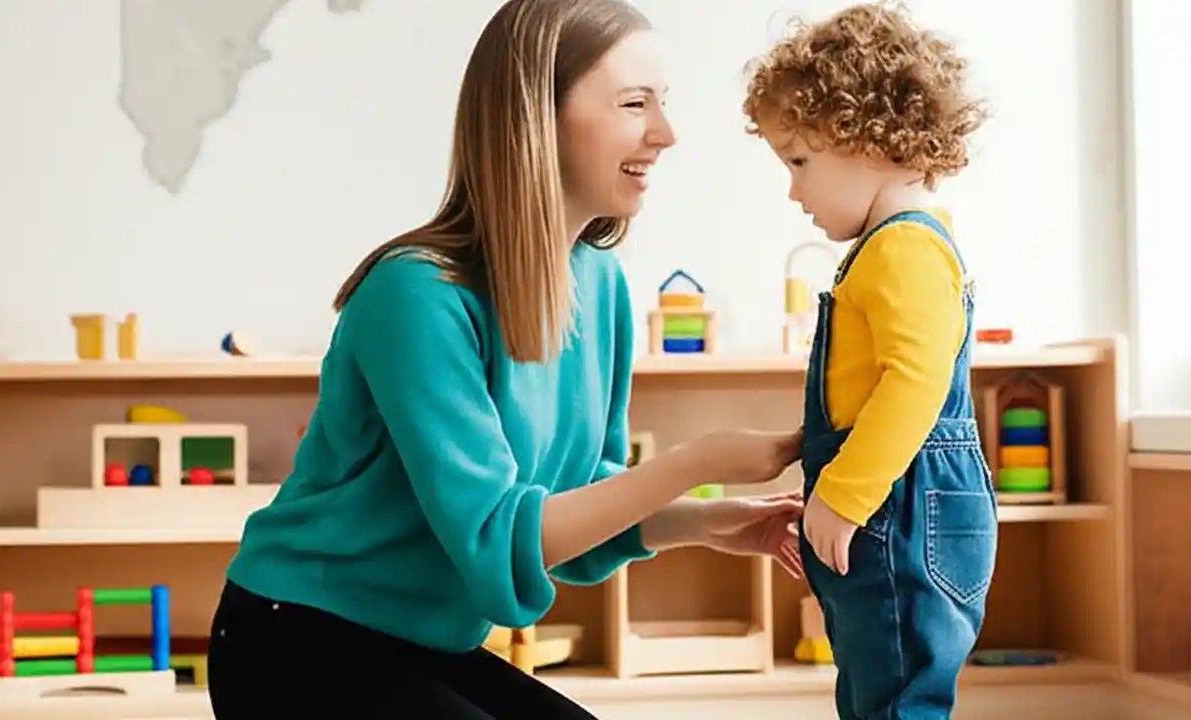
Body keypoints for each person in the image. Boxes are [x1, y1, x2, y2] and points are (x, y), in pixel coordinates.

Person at [205, 0, 803, 717]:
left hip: (422, 641)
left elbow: (581, 498)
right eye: (634, 103)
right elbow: (497, 535)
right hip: (294, 638)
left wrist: (706, 521)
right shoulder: (416, 294)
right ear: (535, 118)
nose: (665, 134)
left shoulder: (600, 285)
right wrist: (700, 460)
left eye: (663, 103)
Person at [742, 3, 996, 718]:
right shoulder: (896, 248)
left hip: (900, 511)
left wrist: (847, 493)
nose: (794, 192)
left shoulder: (905, 248)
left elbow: (914, 383)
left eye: (799, 162)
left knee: (896, 690)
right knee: (877, 684)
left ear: (869, 138)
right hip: (899, 506)